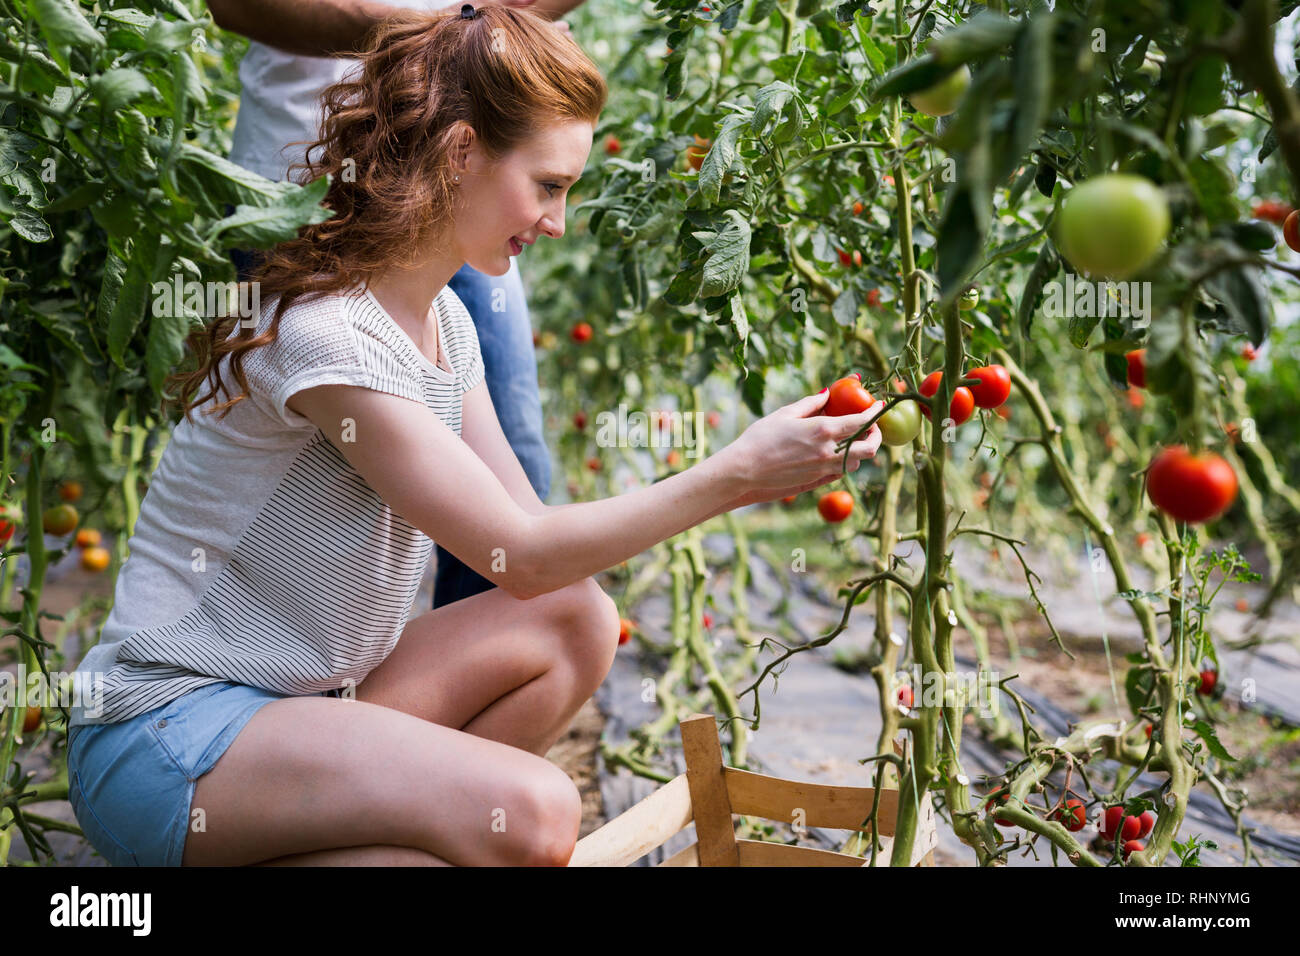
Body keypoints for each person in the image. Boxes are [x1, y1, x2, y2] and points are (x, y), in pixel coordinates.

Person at [64, 6, 883, 867]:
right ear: (461, 153)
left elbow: (537, 557)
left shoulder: (446, 324)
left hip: (303, 707)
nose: (557, 221)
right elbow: (516, 555)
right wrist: (735, 476)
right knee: (531, 812)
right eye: (550, 185)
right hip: (165, 740)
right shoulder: (329, 337)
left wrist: (754, 470)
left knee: (575, 623)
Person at [209, 0, 582, 609]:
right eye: (554, 189)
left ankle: (427, 690)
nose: (559, 223)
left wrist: (487, 43)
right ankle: (293, 681)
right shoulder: (315, 326)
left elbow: (524, 542)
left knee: (510, 473)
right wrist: (455, 39)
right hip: (297, 184)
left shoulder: (474, 269)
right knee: (328, 501)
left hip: (478, 171)